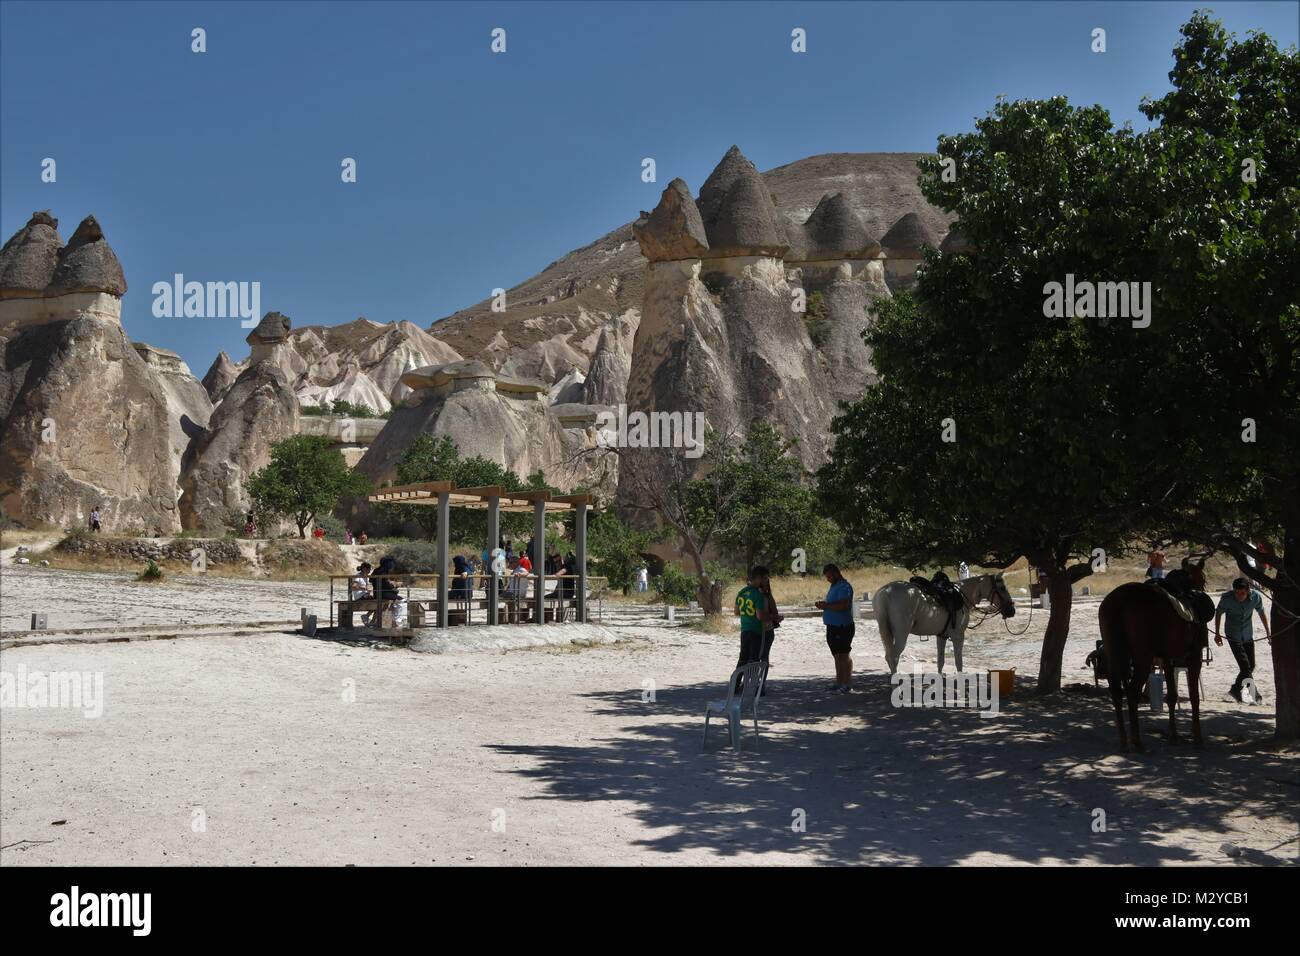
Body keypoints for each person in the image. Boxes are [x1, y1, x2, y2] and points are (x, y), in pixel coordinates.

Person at [1215, 576, 1271, 703]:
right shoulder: (1227, 598)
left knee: (1251, 666)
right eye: (1236, 592)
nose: (1239, 596)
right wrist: (1217, 633)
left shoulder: (1255, 597)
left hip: (1247, 635)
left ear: (1248, 591)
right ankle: (1254, 694)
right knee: (1245, 666)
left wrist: (1268, 631)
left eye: (1242, 593)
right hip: (1232, 635)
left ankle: (1235, 689)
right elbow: (1218, 613)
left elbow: (1261, 612)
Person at [815, 563, 855, 694]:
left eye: (829, 576)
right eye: (827, 577)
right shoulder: (834, 586)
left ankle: (847, 683)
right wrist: (824, 605)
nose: (828, 579)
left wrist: (825, 606)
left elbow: (843, 605)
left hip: (843, 626)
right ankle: (839, 682)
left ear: (836, 573)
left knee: (844, 655)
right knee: (837, 656)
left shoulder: (845, 587)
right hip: (832, 626)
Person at [733, 566, 771, 689]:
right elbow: (760, 616)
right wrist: (774, 617)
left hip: (744, 629)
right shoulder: (757, 594)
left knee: (742, 658)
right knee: (754, 659)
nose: (766, 581)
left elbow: (736, 612)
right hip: (756, 631)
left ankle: (735, 685)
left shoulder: (742, 592)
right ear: (759, 578)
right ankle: (750, 687)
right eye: (765, 579)